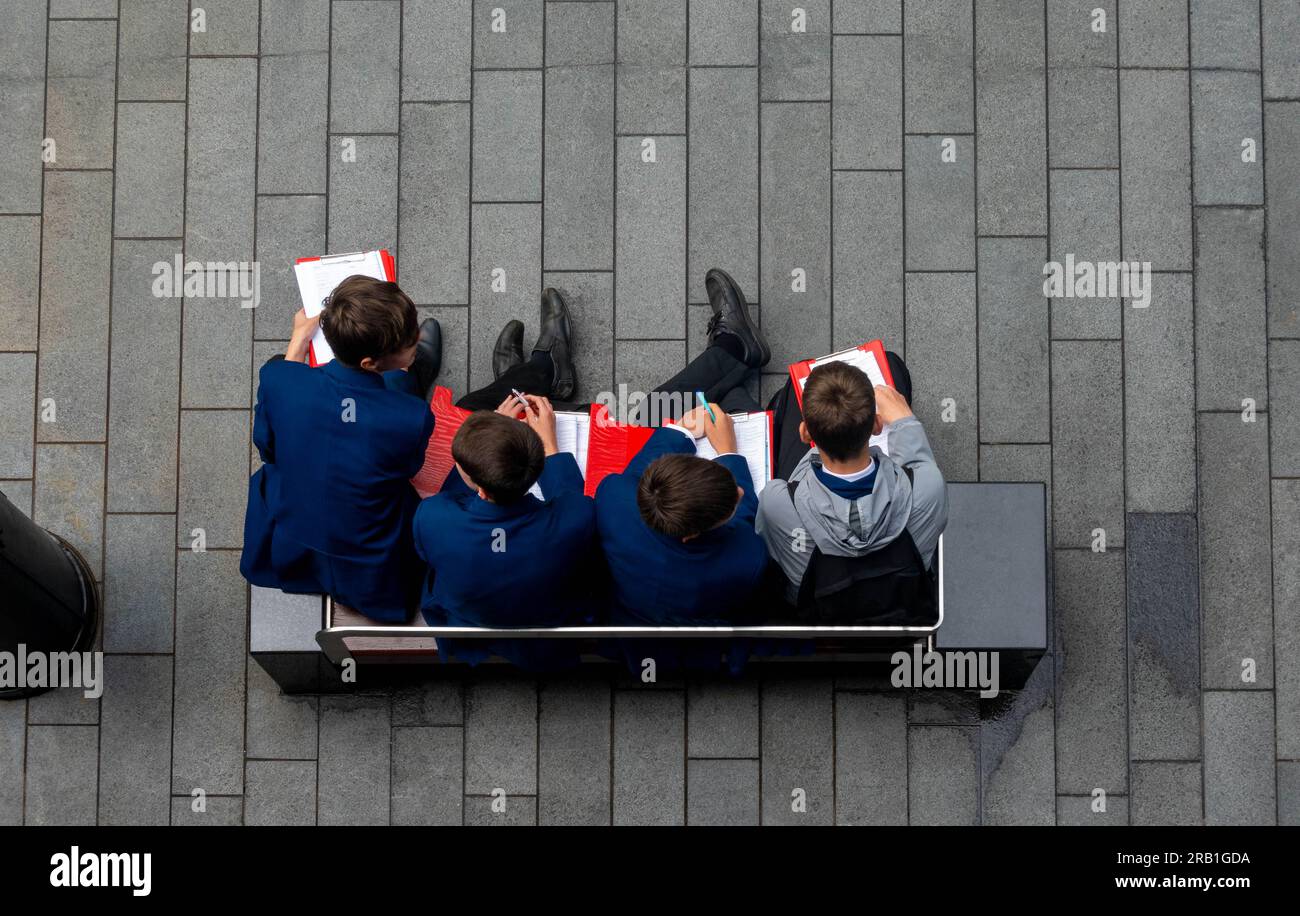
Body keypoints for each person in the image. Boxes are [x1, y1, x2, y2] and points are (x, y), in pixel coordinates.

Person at [594, 269, 772, 671]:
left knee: (652, 413)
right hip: (701, 631)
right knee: (671, 409)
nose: (741, 494)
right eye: (732, 499)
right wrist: (728, 454)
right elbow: (744, 521)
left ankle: (733, 360)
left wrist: (679, 430)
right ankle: (732, 358)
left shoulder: (613, 502)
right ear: (694, 532)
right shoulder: (747, 558)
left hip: (632, 620)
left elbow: (639, 475)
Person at [412, 288, 595, 669]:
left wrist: (496, 427)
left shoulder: (433, 519)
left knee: (467, 408)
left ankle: (529, 374)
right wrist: (550, 443)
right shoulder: (572, 521)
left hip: (470, 620)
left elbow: (450, 504)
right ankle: (538, 371)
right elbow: (571, 499)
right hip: (552, 620)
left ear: (478, 486)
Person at [240, 275, 442, 621]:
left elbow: (268, 447)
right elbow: (407, 469)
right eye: (410, 345)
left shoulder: (279, 380)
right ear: (369, 362)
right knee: (400, 383)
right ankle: (409, 376)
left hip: (293, 531)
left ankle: (402, 374)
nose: (417, 340)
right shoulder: (411, 417)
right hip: (368, 552)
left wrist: (299, 340)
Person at [755, 354, 947, 625]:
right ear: (877, 425)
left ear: (805, 434)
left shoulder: (777, 503)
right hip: (903, 608)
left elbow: (769, 546)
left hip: (816, 616)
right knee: (892, 364)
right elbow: (920, 467)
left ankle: (777, 402)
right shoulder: (927, 489)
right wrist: (906, 423)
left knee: (789, 391)